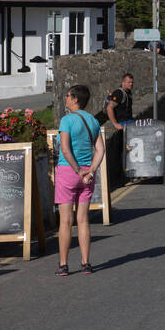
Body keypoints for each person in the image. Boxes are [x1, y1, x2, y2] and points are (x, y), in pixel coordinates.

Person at [56, 84, 105, 275]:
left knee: (66, 221)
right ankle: (86, 263)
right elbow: (100, 149)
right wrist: (90, 170)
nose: (65, 99)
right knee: (83, 220)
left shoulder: (67, 120)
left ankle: (63, 265)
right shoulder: (92, 120)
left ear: (75, 99)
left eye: (67, 96)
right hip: (87, 176)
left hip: (69, 172)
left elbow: (65, 149)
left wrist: (77, 170)